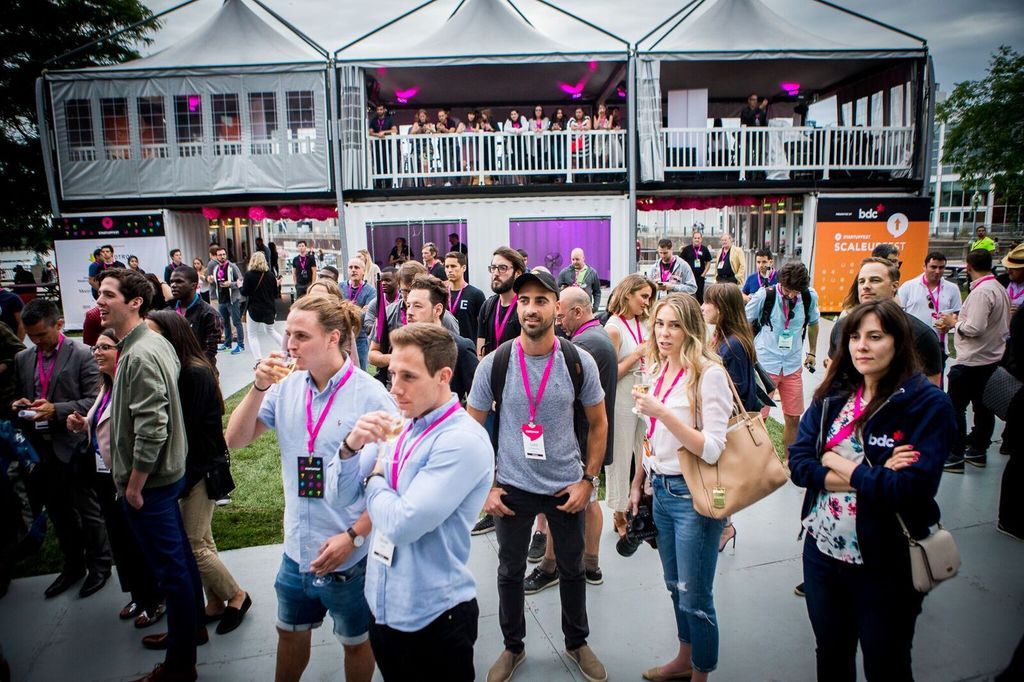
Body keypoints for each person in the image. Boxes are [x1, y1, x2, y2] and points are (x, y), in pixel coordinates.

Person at [225, 295, 394, 682]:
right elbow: (235, 439)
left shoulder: (370, 395)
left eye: (301, 336)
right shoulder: (286, 387)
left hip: (346, 557)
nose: (289, 345)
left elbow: (394, 480)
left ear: (334, 338)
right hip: (296, 548)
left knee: (356, 642)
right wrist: (257, 386)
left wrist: (352, 538)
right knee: (289, 633)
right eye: (288, 334)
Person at [789, 299, 955, 681]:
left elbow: (909, 490)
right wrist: (872, 473)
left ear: (899, 342)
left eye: (875, 337)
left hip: (886, 562)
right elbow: (799, 464)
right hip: (822, 552)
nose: (861, 346)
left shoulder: (926, 406)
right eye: (855, 337)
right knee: (831, 654)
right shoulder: (835, 394)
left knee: (887, 663)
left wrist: (835, 461)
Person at [467, 269, 608, 682]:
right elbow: (469, 432)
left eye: (541, 301)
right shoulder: (495, 364)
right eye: (525, 300)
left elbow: (599, 424)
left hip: (566, 486)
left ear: (558, 309)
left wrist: (588, 480)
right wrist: (486, 487)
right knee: (509, 572)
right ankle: (513, 648)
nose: (531, 308)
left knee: (573, 569)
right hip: (512, 487)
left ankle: (576, 642)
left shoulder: (577, 361)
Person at [331, 323, 492, 681]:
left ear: (443, 376)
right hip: (383, 605)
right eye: (392, 375)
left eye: (409, 377)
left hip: (435, 616)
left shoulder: (462, 440)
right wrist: (350, 446)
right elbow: (341, 497)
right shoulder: (400, 425)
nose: (395, 389)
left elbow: (402, 524)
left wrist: (373, 479)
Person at [96, 268, 202, 682]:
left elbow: (152, 425)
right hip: (165, 477)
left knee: (170, 571)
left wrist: (135, 485)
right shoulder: (152, 342)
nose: (100, 301)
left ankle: (180, 666)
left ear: (134, 301)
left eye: (108, 294)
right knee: (181, 564)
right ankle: (188, 634)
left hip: (150, 485)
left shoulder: (140, 353)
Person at [628, 293, 734, 682]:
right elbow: (650, 436)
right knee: (676, 586)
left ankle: (701, 673)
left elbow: (712, 448)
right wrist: (639, 482)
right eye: (659, 323)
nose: (665, 333)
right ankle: (684, 658)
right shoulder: (658, 370)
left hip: (694, 496)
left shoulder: (709, 374)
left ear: (691, 328)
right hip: (661, 491)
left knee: (696, 595)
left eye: (674, 325)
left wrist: (664, 414)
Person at [145, 312, 251, 638]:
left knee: (194, 545)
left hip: (200, 468)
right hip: (199, 466)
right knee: (203, 539)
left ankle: (236, 595)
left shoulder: (193, 373)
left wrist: (180, 477)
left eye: (154, 335)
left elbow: (187, 431)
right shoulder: (187, 369)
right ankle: (216, 601)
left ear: (171, 335)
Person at [12, 299, 109, 599]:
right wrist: (20, 405)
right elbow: (23, 394)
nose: (37, 341)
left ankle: (101, 566)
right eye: (31, 336)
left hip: (74, 446)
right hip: (40, 450)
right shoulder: (24, 359)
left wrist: (56, 409)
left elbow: (94, 401)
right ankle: (73, 566)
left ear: (58, 324)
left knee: (88, 511)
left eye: (41, 334)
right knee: (59, 512)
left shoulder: (83, 355)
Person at [66, 329, 164, 628]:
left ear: (120, 352)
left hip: (127, 475)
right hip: (103, 476)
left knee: (139, 540)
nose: (96, 352)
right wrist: (83, 424)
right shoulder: (104, 387)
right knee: (119, 540)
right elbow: (103, 427)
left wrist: (135, 482)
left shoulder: (128, 386)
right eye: (95, 347)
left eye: (104, 347)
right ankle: (136, 593)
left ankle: (156, 598)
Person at [524, 286, 616, 591]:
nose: (559, 320)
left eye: (560, 313)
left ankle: (551, 567)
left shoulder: (582, 346)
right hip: (591, 439)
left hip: (579, 441)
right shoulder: (599, 336)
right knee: (590, 502)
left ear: (578, 311)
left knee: (561, 504)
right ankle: (591, 565)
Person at [701, 282, 760, 552]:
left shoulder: (732, 345)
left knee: (721, 478)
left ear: (722, 308)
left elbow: (734, 388)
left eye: (707, 303)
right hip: (723, 423)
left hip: (727, 424)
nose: (702, 308)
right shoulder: (728, 338)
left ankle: (725, 526)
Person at [940, 249, 1011, 473]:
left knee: (956, 409)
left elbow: (975, 328)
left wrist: (954, 323)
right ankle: (978, 450)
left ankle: (955, 454)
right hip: (989, 359)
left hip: (973, 361)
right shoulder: (999, 288)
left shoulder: (982, 293)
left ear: (967, 267)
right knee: (983, 408)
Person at [828, 258, 943, 386]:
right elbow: (829, 380)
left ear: (894, 286)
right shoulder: (842, 327)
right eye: (861, 281)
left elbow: (931, 395)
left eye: (875, 280)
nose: (866, 286)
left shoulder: (922, 335)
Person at [745, 262, 820, 450]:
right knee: (759, 418)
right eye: (788, 290)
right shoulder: (765, 295)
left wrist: (812, 352)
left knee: (793, 416)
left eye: (797, 291)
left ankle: (789, 460)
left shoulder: (809, 296)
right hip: (765, 364)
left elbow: (814, 323)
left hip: (792, 364)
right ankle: (760, 462)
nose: (792, 295)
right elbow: (745, 323)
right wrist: (746, 353)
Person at [602, 274, 655, 537]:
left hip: (644, 392)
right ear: (627, 295)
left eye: (649, 297)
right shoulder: (613, 328)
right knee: (621, 456)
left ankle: (641, 504)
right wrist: (636, 355)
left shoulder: (643, 322)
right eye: (643, 296)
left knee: (645, 452)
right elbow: (609, 376)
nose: (647, 302)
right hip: (622, 396)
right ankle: (618, 512)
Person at [403, 275, 479, 403]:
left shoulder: (460, 347)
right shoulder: (405, 345)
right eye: (408, 305)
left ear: (437, 310)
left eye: (417, 306)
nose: (409, 312)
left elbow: (479, 400)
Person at [898, 251, 962, 366]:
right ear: (924, 266)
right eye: (933, 267)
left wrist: (950, 323)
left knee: (936, 382)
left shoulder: (952, 289)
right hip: (914, 344)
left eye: (941, 267)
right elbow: (898, 314)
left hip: (939, 343)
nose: (937, 271)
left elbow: (957, 313)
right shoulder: (908, 286)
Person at [169, 265, 223, 368]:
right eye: (171, 282)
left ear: (193, 285)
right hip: (172, 372)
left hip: (199, 374)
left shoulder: (209, 315)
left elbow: (208, 353)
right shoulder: (167, 310)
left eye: (179, 281)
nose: (173, 285)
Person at [477, 247, 526, 358]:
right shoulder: (487, 306)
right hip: (491, 371)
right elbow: (480, 350)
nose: (496, 273)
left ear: (517, 273)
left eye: (502, 268)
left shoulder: (524, 307)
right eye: (493, 268)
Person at [241, 252, 284, 364]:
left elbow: (245, 292)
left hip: (254, 309)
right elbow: (275, 294)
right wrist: (277, 284)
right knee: (270, 330)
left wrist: (239, 285)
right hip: (269, 309)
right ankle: (286, 349)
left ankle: (258, 360)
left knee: (252, 335)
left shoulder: (249, 275)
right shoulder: (270, 275)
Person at [210, 247, 245, 355]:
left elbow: (241, 280)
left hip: (232, 299)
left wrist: (231, 284)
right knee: (225, 322)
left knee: (236, 322)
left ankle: (240, 345)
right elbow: (215, 282)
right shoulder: (216, 268)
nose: (222, 256)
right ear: (216, 256)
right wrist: (211, 280)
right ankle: (227, 343)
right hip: (222, 299)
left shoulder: (232, 266)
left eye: (224, 254)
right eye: (220, 255)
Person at [444, 250, 485, 341]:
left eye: (453, 266)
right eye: (447, 266)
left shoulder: (476, 294)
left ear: (464, 268)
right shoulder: (441, 294)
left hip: (468, 349)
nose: (449, 270)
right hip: (445, 348)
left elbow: (483, 328)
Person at [345, 257, 376, 371]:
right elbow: (337, 312)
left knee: (361, 370)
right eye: (350, 267)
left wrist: (346, 309)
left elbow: (367, 315)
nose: (353, 270)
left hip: (361, 337)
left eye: (356, 267)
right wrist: (360, 309)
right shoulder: (340, 287)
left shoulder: (371, 291)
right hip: (342, 336)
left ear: (363, 271)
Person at [679, 231, 713, 302]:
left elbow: (708, 262)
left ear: (701, 239)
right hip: (688, 277)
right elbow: (680, 261)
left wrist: (704, 274)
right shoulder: (687, 249)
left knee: (700, 296)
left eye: (698, 238)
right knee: (688, 295)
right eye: (695, 238)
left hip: (700, 277)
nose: (697, 240)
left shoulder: (704, 249)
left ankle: (700, 311)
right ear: (692, 239)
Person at [1001, 243, 1024, 315]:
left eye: (1014, 268)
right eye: (1008, 267)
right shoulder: (1001, 280)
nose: (1009, 271)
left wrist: (1020, 313)